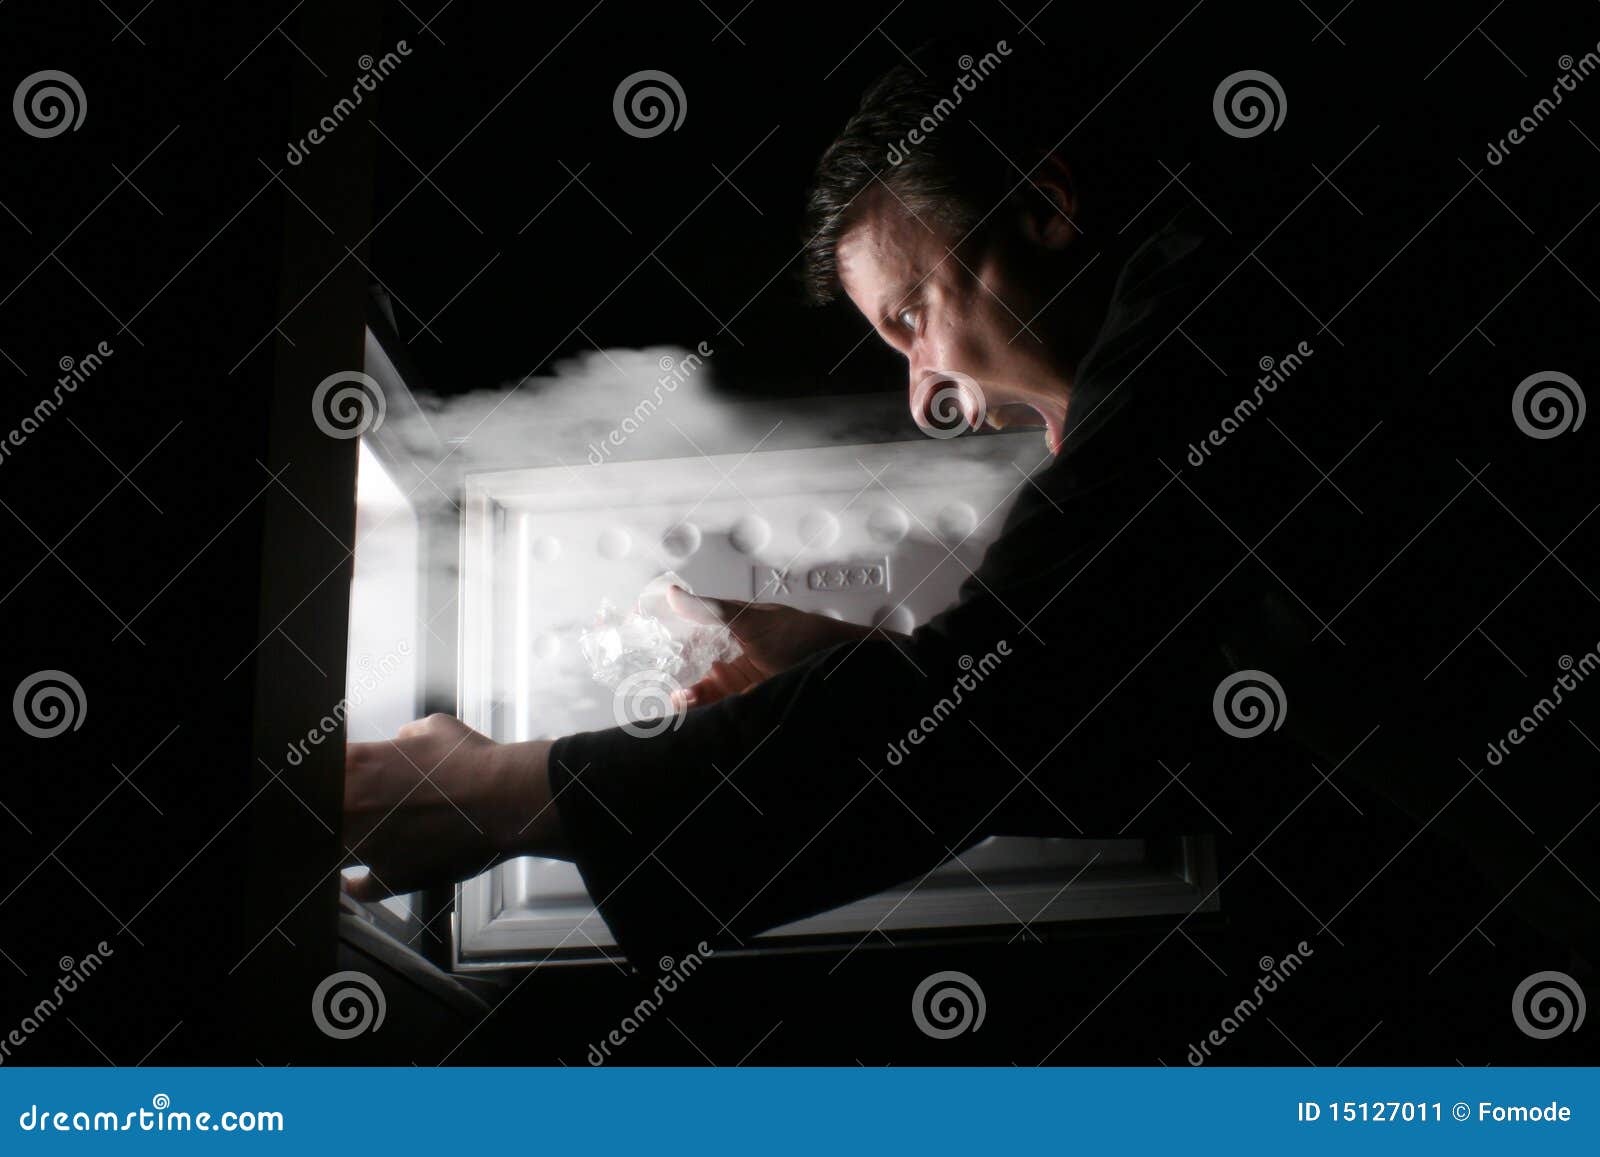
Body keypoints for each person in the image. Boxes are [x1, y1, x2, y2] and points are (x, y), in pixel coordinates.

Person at [343, 48, 1600, 976]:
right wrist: (874, 671)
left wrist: (510, 793)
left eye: (909, 319)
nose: (927, 390)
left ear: (1049, 204)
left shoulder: (1236, 298)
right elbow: (1115, 735)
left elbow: (1016, 700)